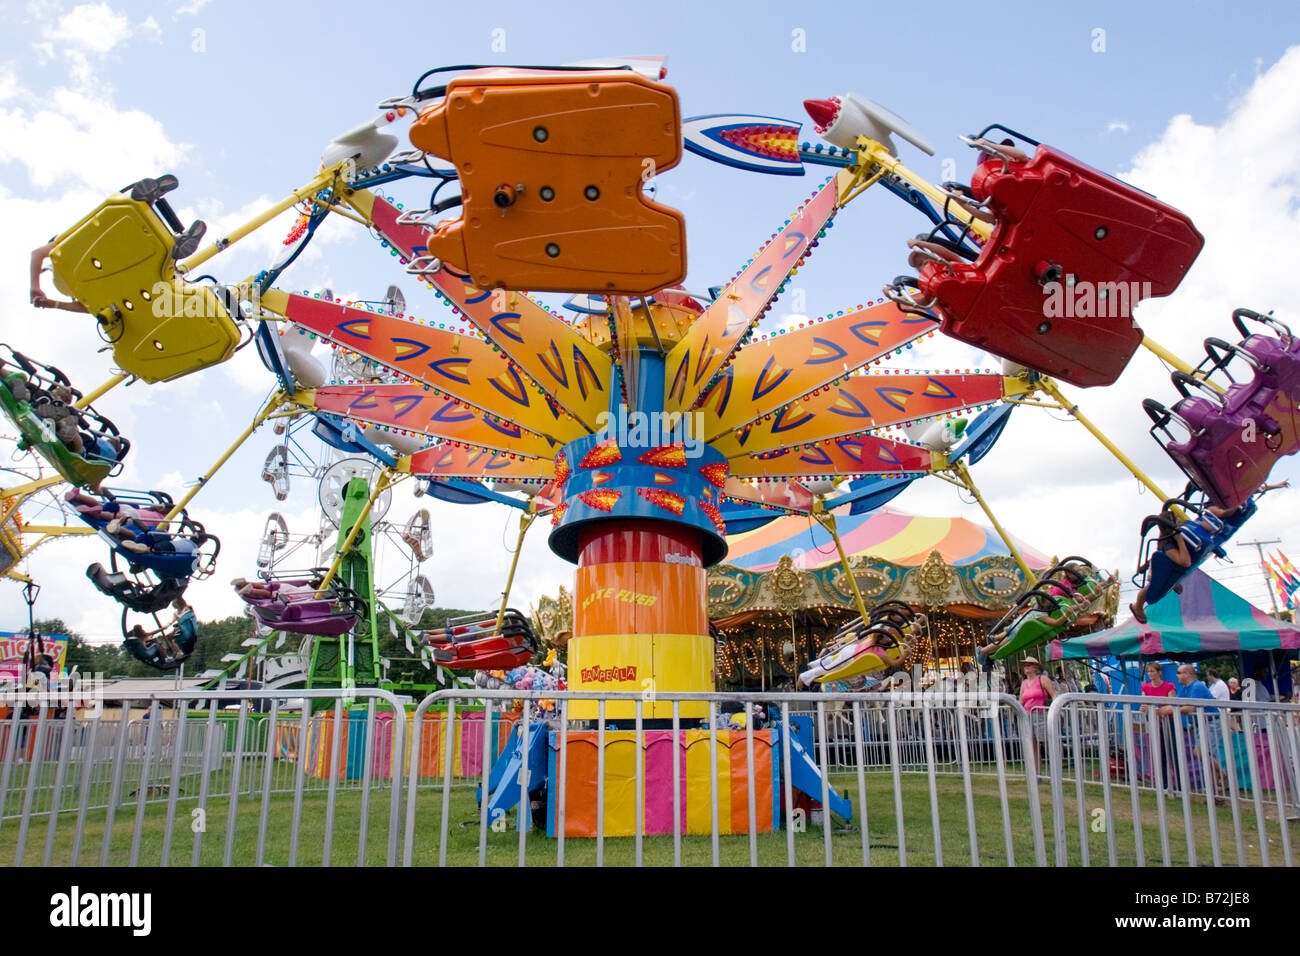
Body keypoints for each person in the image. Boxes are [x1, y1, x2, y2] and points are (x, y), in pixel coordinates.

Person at [1131, 483, 1288, 623]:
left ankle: (1171, 583)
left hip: (1177, 561)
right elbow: (1185, 561)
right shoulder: (1170, 544)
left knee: (1189, 551)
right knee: (1153, 587)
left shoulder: (1189, 527)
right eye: (1177, 519)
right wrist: (1179, 538)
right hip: (1168, 566)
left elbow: (1209, 527)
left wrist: (1275, 486)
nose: (1181, 520)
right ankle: (1137, 607)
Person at [1175, 664, 1224, 795]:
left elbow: (1191, 708)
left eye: (1179, 672)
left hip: (1211, 722)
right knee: (1205, 754)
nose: (1177, 675)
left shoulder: (1197, 687)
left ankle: (1222, 774)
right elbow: (1175, 702)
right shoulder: (1185, 688)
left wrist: (1170, 709)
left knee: (1201, 752)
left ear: (1188, 674)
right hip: (1201, 724)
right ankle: (1214, 788)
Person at [1141, 661, 1178, 791]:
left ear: (1159, 672)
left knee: (1174, 752)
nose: (1150, 674)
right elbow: (1144, 704)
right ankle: (1164, 784)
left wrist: (1158, 710)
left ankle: (1179, 783)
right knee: (1159, 753)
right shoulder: (1145, 687)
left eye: (1153, 671)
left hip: (1168, 722)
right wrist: (1145, 708)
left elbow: (1172, 705)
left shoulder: (1169, 686)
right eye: (1149, 671)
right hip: (1155, 723)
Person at [1018, 656, 1056, 779]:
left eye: (1029, 665)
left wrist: (1056, 710)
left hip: (1041, 713)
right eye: (1025, 665)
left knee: (1047, 742)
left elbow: (1054, 695)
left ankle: (1055, 771)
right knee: (1032, 745)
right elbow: (1021, 701)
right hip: (1027, 715)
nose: (1026, 667)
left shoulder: (1043, 679)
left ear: (1035, 667)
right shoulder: (1024, 683)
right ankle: (1036, 774)